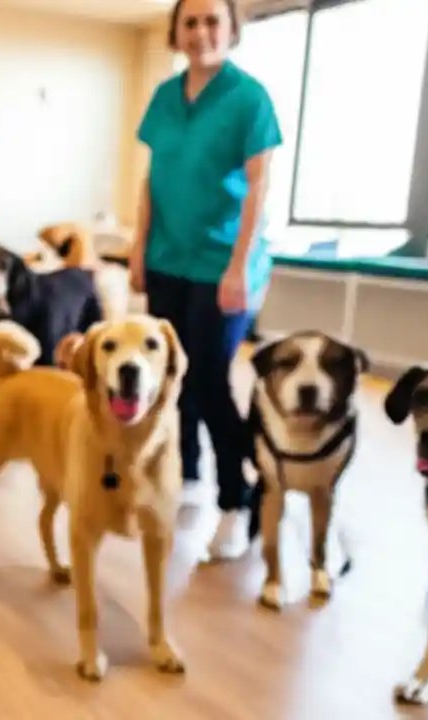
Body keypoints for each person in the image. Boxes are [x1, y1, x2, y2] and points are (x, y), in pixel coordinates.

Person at [130, 0, 282, 560]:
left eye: (213, 21)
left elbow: (259, 188)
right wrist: (139, 246)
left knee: (212, 380)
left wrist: (239, 266)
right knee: (170, 374)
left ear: (232, 30)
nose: (201, 32)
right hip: (168, 256)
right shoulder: (165, 98)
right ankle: (187, 476)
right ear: (177, 32)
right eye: (190, 22)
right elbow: (153, 179)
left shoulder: (248, 98)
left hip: (223, 262)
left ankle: (236, 502)